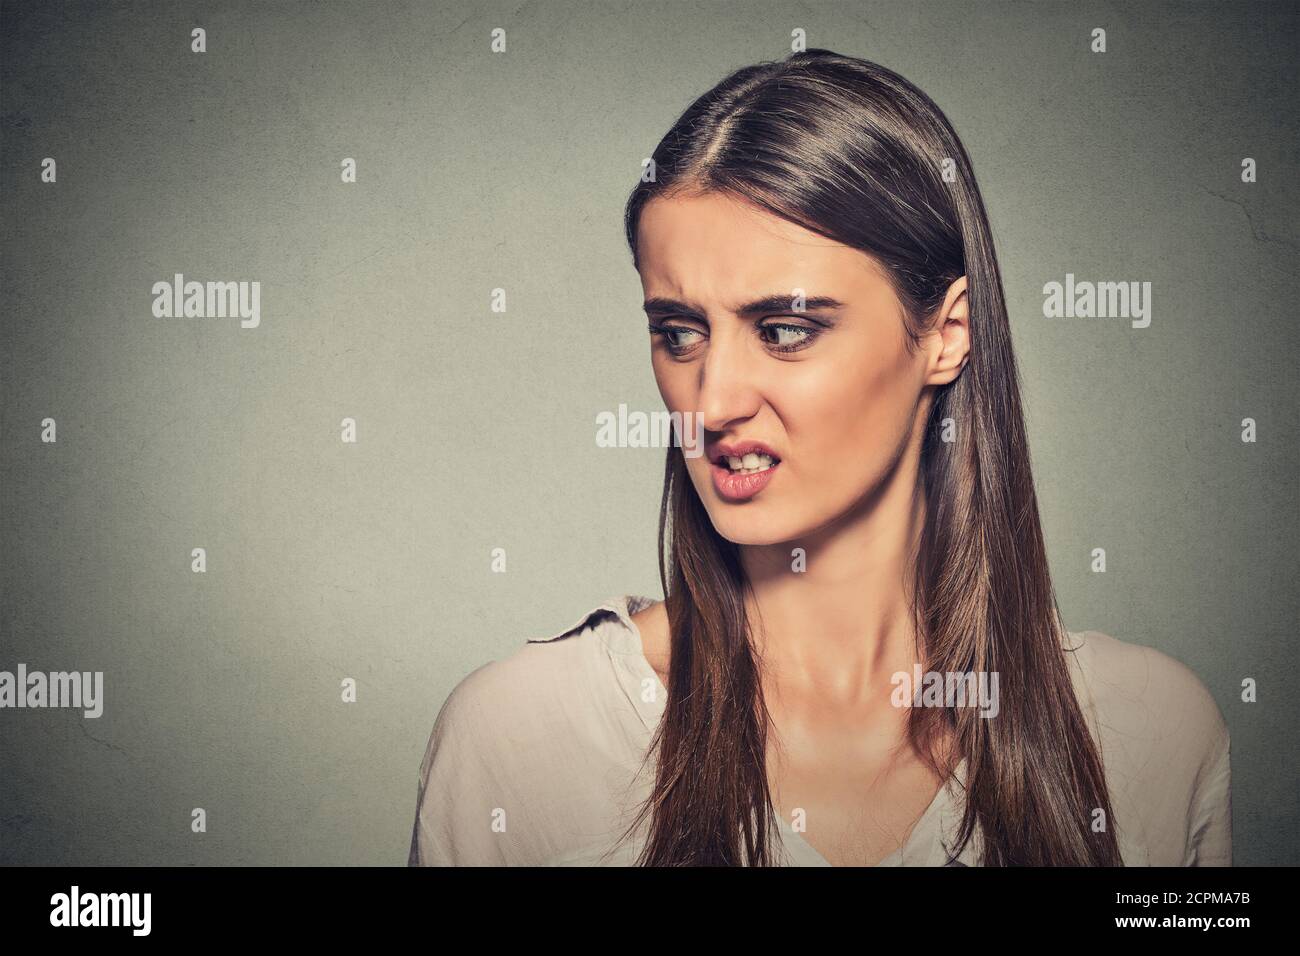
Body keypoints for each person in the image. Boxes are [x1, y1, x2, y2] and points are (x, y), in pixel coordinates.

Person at [408, 49, 1231, 866]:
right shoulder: (521, 740)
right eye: (679, 332)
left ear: (947, 333)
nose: (715, 398)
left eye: (786, 330)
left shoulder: (1151, 737)